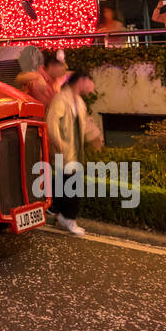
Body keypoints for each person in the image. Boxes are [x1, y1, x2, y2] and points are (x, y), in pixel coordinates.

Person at [46, 70, 98, 236]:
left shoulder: (79, 102)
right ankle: (68, 219)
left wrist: (95, 136)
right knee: (71, 185)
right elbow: (51, 122)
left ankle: (60, 215)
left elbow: (85, 123)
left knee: (67, 184)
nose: (91, 87)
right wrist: (58, 143)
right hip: (65, 151)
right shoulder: (62, 99)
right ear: (81, 80)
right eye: (90, 82)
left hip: (74, 152)